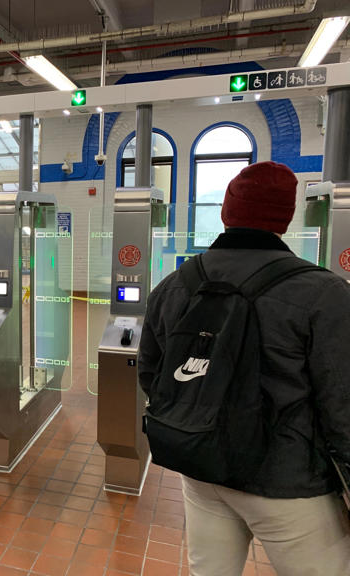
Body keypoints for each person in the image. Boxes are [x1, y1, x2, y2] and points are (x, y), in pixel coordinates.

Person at [138, 161, 350, 576]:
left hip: (201, 471)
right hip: (288, 485)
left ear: (226, 212)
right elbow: (342, 404)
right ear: (286, 219)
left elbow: (151, 373)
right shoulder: (324, 293)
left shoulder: (175, 283)